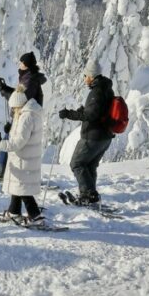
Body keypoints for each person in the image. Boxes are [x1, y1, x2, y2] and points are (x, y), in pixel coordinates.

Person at [58, 61, 115, 204]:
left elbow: (91, 115)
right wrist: (83, 111)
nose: (84, 79)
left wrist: (69, 114)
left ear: (91, 76)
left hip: (93, 136)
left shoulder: (97, 91)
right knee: (89, 165)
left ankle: (89, 195)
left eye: (85, 75)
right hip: (104, 136)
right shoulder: (106, 89)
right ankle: (88, 195)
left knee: (76, 164)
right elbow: (97, 111)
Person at [0, 51, 47, 180]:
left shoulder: (30, 79)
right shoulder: (27, 77)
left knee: (10, 140)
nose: (19, 64)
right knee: (9, 139)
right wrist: (5, 88)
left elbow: (22, 98)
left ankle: (0, 172)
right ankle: (2, 172)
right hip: (21, 114)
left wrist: (4, 90)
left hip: (24, 114)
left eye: (21, 62)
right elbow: (19, 94)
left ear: (26, 64)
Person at [0, 86, 47, 222]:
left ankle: (36, 217)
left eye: (14, 108)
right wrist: (9, 130)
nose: (13, 111)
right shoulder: (27, 113)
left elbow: (18, 142)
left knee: (23, 189)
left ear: (18, 105)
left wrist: (1, 144)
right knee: (18, 186)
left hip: (24, 158)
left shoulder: (26, 117)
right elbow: (18, 134)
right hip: (24, 157)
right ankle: (13, 212)